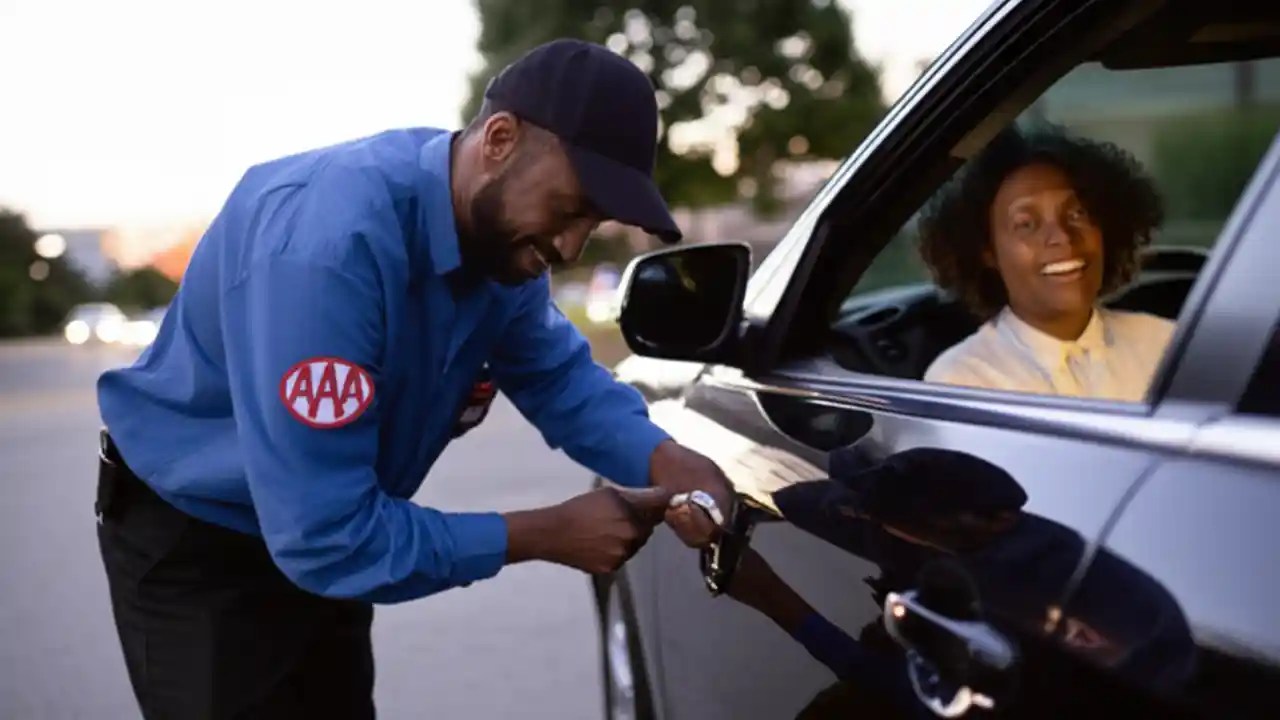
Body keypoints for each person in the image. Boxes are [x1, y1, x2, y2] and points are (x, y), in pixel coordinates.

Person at [94, 39, 729, 719]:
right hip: (203, 551)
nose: (571, 247)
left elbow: (557, 378)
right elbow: (326, 538)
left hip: (330, 535)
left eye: (593, 223)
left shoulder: (499, 242)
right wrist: (544, 533)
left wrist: (671, 459)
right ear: (500, 140)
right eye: (570, 208)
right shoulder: (326, 253)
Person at [920, 125, 1174, 401]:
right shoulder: (961, 381)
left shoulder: (1165, 344)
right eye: (1026, 224)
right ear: (987, 251)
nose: (1062, 237)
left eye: (1078, 213)